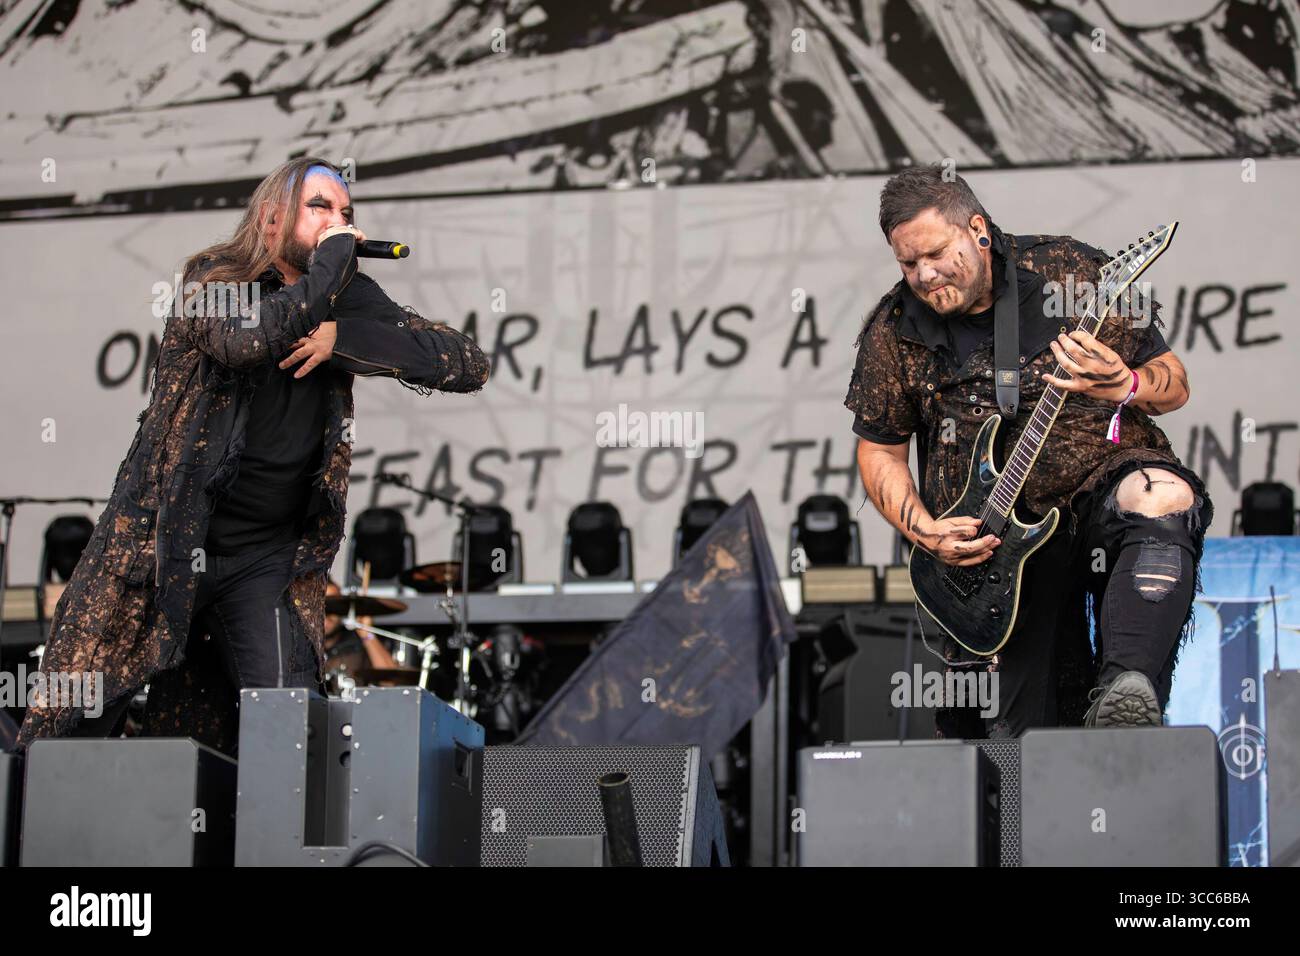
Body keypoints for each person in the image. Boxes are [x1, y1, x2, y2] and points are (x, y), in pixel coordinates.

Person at [17, 157, 489, 754]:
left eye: (346, 214)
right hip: (163, 544)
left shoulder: (347, 300)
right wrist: (327, 278)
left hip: (262, 557)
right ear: (271, 219)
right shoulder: (214, 279)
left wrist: (346, 338)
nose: (337, 223)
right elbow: (249, 342)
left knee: (292, 732)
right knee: (73, 723)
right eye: (319, 208)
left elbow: (466, 362)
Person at [845, 165, 1212, 738]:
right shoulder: (896, 331)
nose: (925, 274)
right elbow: (880, 454)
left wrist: (1125, 384)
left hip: (1098, 491)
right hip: (995, 550)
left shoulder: (1070, 273)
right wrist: (924, 530)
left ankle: (1126, 688)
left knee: (1164, 495)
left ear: (978, 230)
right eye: (908, 263)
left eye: (937, 253)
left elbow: (1175, 383)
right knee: (1020, 742)